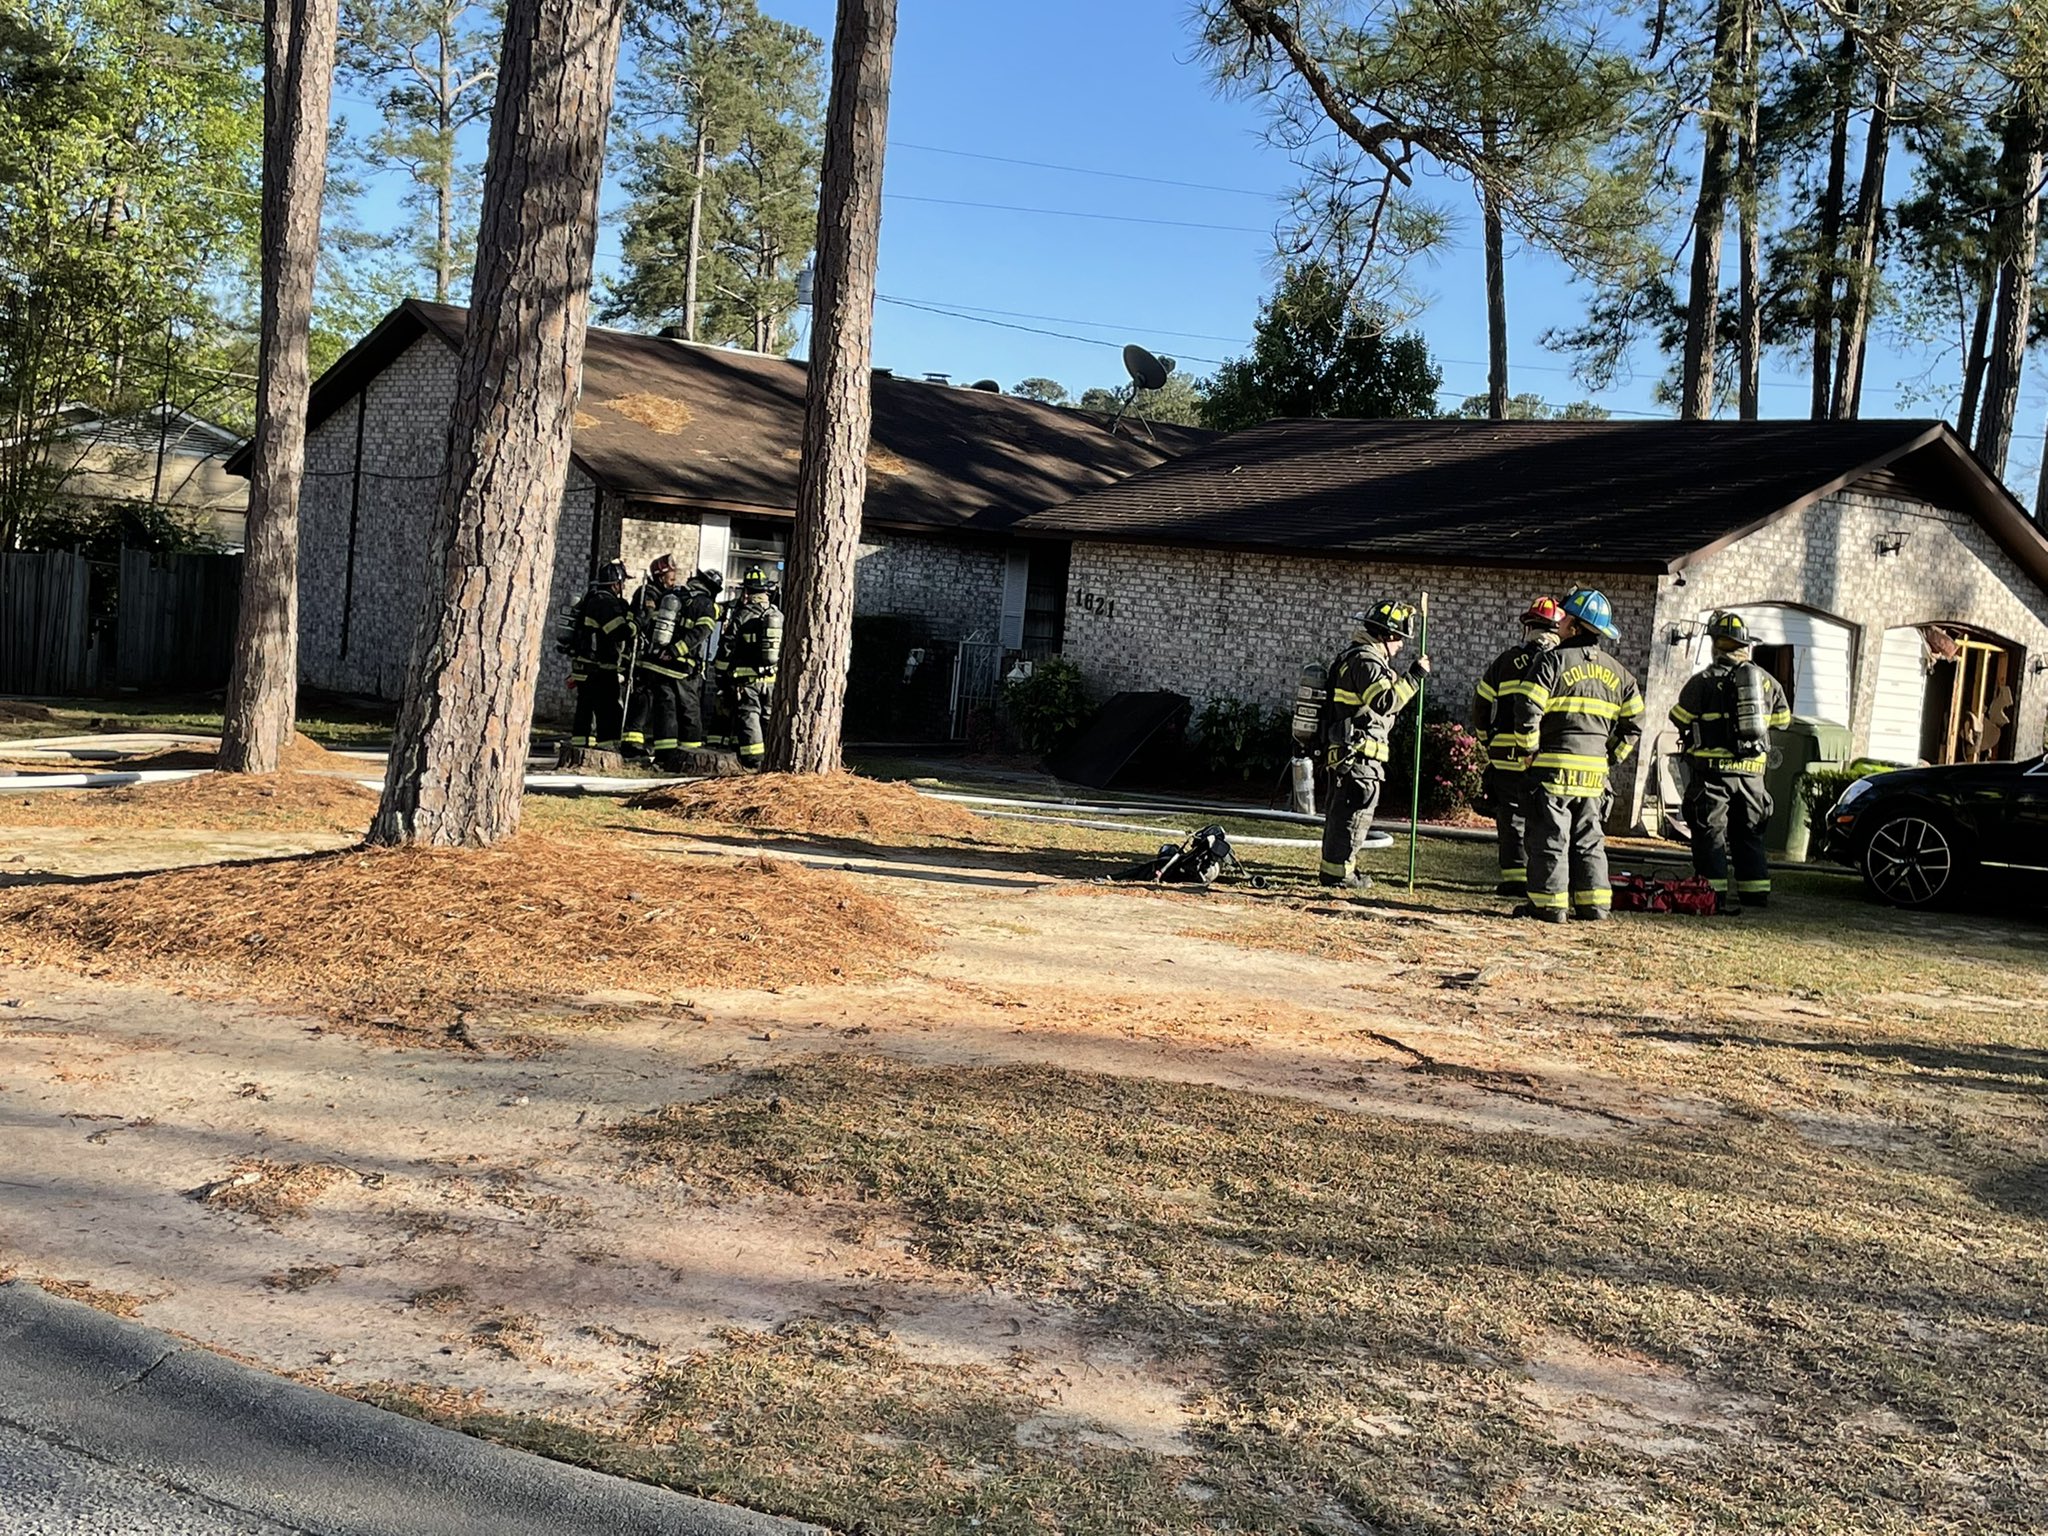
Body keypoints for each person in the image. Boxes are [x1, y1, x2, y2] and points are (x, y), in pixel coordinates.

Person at [1497, 587, 1644, 922]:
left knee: (1550, 837)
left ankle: (1548, 906)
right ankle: (1594, 906)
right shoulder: (1620, 673)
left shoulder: (1551, 661)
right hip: (1595, 776)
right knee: (1589, 841)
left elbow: (1527, 706)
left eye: (1564, 619)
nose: (1559, 623)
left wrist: (1529, 750)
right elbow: (1635, 722)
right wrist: (1611, 758)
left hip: (1554, 770)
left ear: (1575, 627)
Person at [1670, 610, 1793, 912]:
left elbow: (1679, 717)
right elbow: (1783, 720)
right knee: (1749, 833)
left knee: (1710, 832)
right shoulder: (1767, 682)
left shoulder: (1703, 681)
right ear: (1745, 645)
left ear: (1716, 644)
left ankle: (1712, 894)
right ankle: (1756, 893)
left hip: (1713, 776)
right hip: (1753, 776)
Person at [1316, 599, 1430, 890]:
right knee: (1354, 814)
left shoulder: (1354, 656)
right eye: (1399, 639)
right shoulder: (1366, 661)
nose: (1401, 646)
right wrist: (1415, 676)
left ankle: (1336, 870)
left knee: (1343, 815)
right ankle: (1340, 875)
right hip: (1359, 757)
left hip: (1349, 755)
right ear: (1387, 634)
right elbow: (1384, 701)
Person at [1473, 596, 1563, 897]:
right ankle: (1544, 878)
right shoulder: (1560, 663)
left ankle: (1514, 878)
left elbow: (1481, 703)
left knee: (1511, 816)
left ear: (1528, 628)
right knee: (1545, 816)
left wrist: (1486, 738)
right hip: (1544, 754)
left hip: (1505, 752)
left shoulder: (1506, 661)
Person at [622, 554, 695, 770]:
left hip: (659, 659)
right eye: (670, 577)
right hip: (644, 656)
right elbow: (643, 620)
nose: (673, 581)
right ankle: (631, 743)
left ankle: (658, 747)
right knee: (642, 699)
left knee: (659, 702)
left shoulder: (667, 597)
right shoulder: (647, 594)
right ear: (660, 576)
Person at [559, 559, 633, 756]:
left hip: (585, 664)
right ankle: (607, 748)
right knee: (609, 708)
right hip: (599, 667)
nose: (623, 587)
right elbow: (618, 632)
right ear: (616, 583)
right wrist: (634, 623)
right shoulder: (606, 603)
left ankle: (580, 748)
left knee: (585, 708)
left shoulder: (592, 598)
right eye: (623, 582)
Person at [719, 565, 783, 768]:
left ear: (747, 592)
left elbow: (727, 646)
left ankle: (753, 760)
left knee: (749, 714)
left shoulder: (742, 615)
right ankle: (772, 756)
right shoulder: (777, 614)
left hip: (747, 680)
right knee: (769, 716)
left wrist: (722, 674)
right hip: (772, 679)